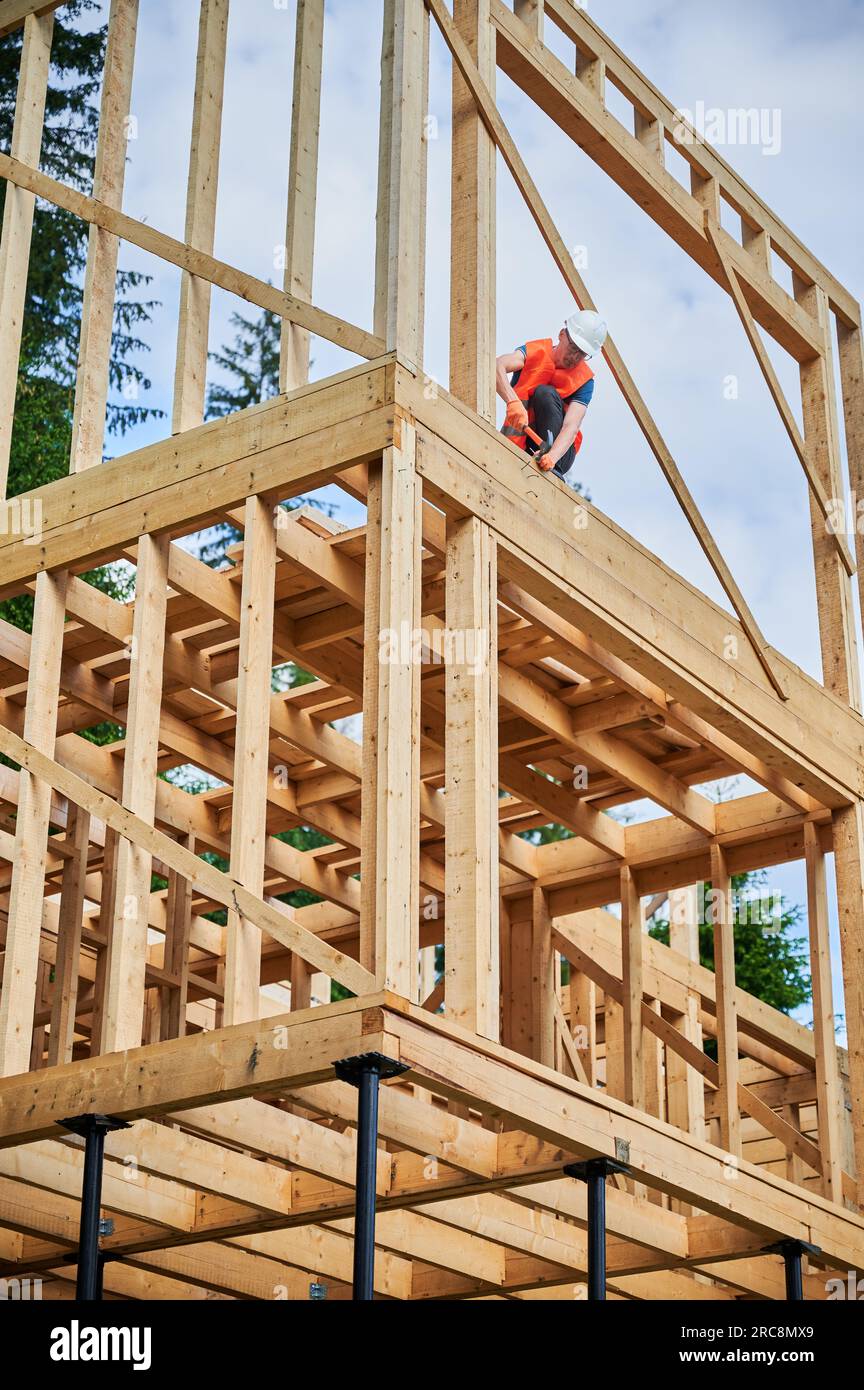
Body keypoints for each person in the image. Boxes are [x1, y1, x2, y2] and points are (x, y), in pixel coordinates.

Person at [495, 309, 607, 483]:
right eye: (573, 348)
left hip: (560, 453)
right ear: (562, 334)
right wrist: (512, 402)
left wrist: (553, 456)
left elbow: (572, 425)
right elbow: (498, 366)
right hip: (522, 439)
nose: (575, 357)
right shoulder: (535, 352)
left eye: (582, 353)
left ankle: (553, 470)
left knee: (544, 393)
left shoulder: (585, 381)